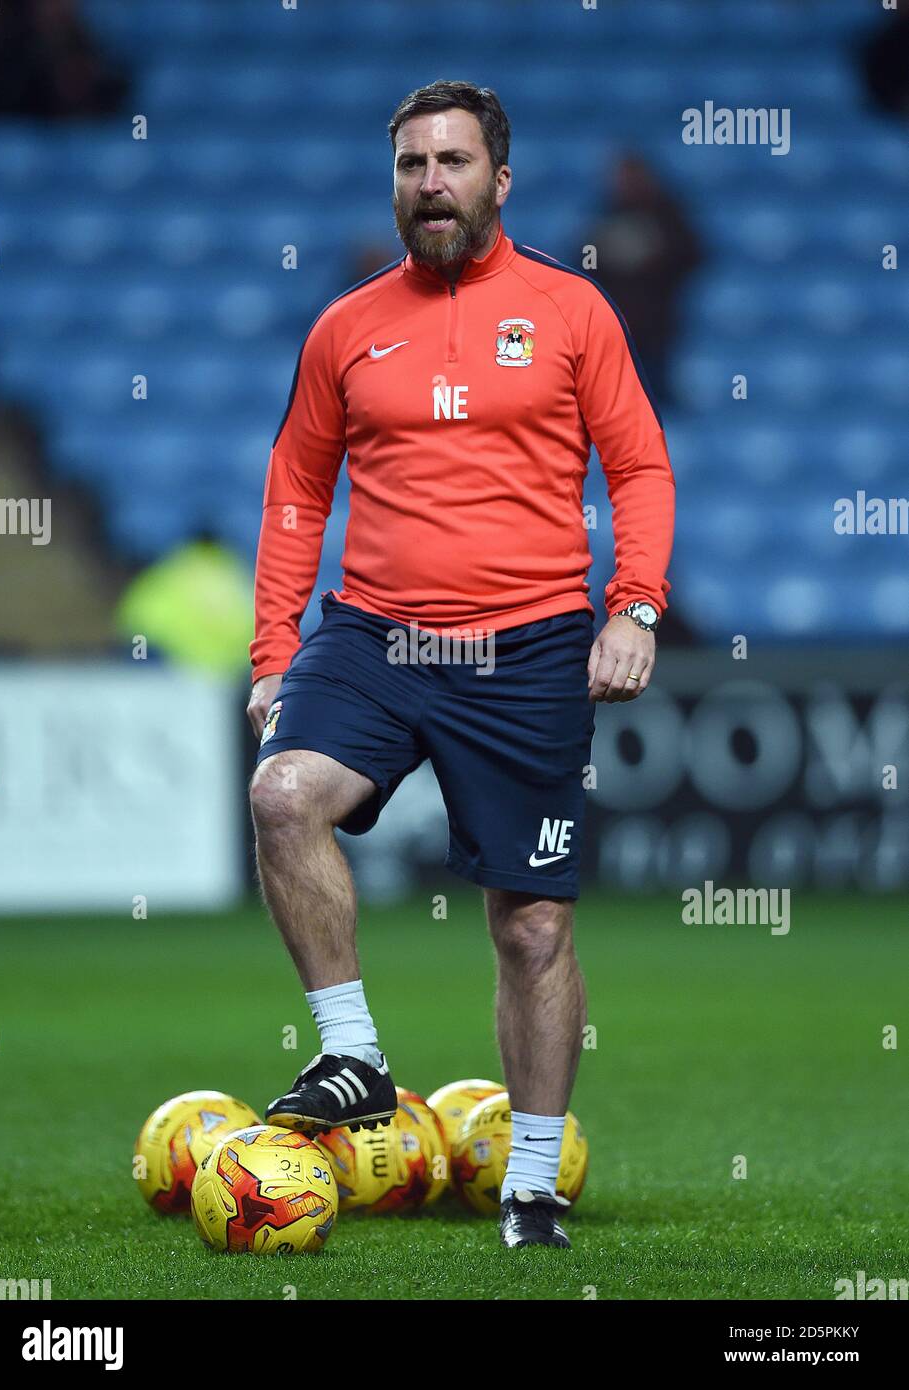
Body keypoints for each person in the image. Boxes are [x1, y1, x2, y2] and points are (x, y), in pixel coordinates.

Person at [247, 81, 675, 1248]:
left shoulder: (571, 310)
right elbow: (296, 493)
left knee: (530, 926)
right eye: (409, 165)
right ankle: (352, 1060)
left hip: (530, 644)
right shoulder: (345, 326)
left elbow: (639, 469)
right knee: (284, 796)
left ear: (499, 178)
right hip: (377, 634)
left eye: (450, 161)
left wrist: (632, 604)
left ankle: (530, 1185)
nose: (428, 183)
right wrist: (275, 651)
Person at [582, 153, 702, 404]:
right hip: (619, 325)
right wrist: (609, 252)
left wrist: (654, 253)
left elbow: (694, 255)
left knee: (658, 393)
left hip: (658, 323)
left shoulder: (668, 215)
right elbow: (581, 262)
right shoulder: (605, 215)